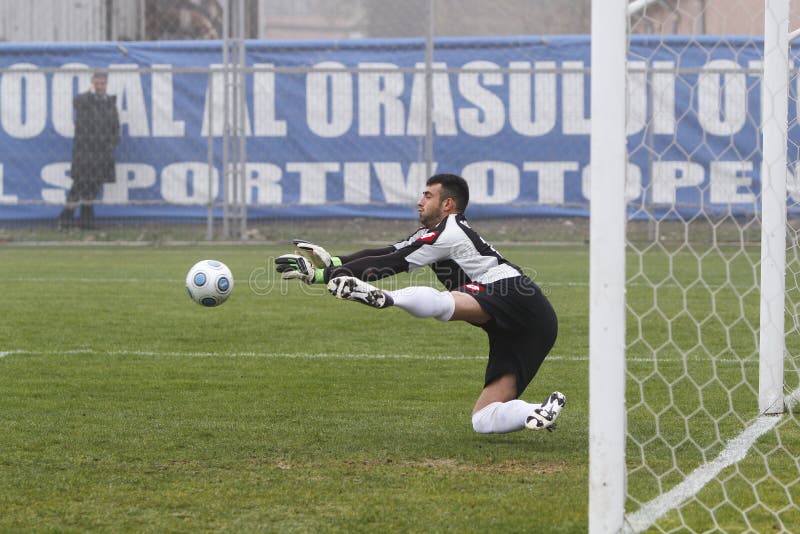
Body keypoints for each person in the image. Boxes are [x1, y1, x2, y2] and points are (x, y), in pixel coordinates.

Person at [275, 173, 565, 434]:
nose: (419, 201)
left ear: (448, 204)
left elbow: (393, 262)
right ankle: (537, 411)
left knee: (445, 304)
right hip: (532, 327)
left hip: (513, 292)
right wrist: (332, 264)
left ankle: (386, 298)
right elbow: (385, 252)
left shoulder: (449, 233)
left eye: (428, 196)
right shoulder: (431, 234)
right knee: (483, 419)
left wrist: (323, 275)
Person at [59, 71, 120, 230]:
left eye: (102, 83)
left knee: (92, 189)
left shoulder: (110, 103)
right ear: (92, 83)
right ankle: (65, 220)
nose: (100, 87)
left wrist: (111, 143)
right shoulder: (84, 100)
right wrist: (89, 93)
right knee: (78, 186)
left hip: (102, 154)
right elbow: (77, 103)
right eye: (97, 83)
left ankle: (86, 222)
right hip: (85, 153)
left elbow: (115, 126)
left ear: (106, 84)